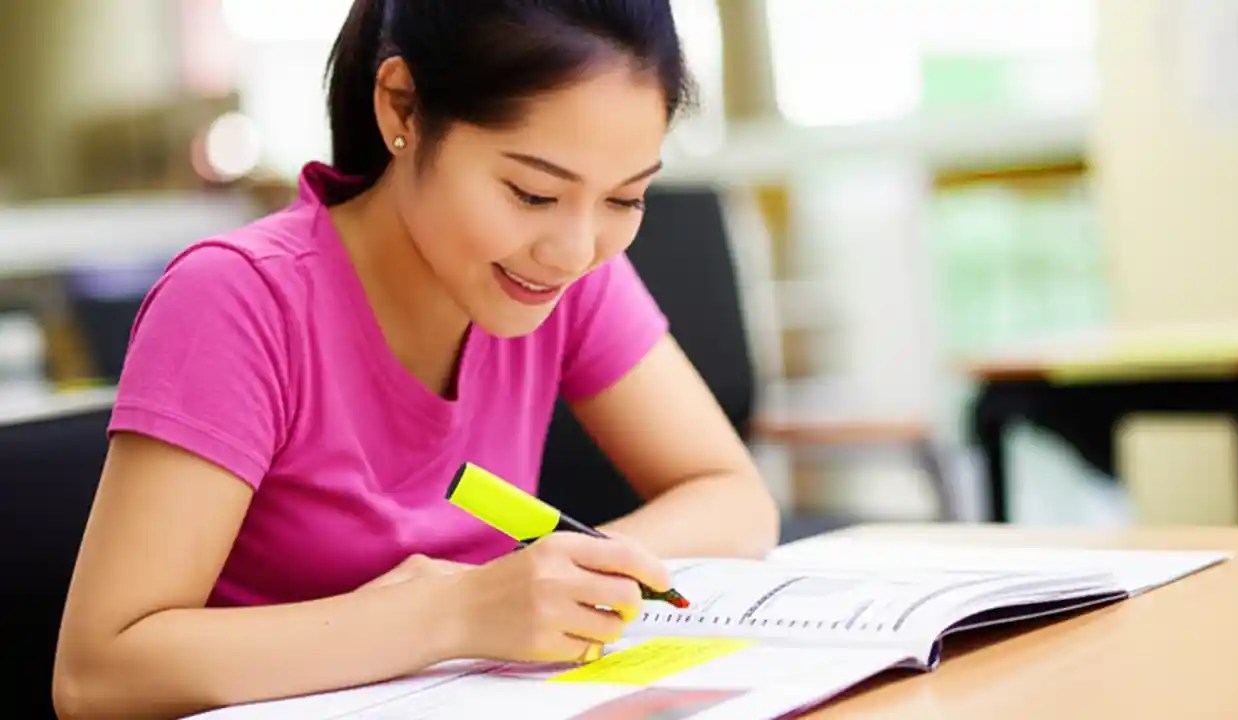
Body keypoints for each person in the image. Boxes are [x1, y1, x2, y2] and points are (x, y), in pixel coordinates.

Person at [52, 1, 779, 718]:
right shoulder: (238, 300)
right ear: (402, 108)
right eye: (532, 193)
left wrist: (565, 578)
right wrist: (457, 613)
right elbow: (99, 674)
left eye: (625, 199)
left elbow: (734, 499)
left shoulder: (567, 276)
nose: (573, 248)